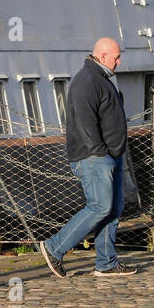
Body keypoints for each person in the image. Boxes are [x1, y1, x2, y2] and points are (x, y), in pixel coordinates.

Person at [38, 37, 137, 279]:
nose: (119, 61)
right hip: (94, 157)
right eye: (116, 57)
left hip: (109, 155)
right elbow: (85, 121)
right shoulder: (87, 80)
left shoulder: (100, 79)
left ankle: (106, 262)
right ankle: (53, 248)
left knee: (113, 208)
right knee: (100, 206)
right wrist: (100, 151)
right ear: (103, 57)